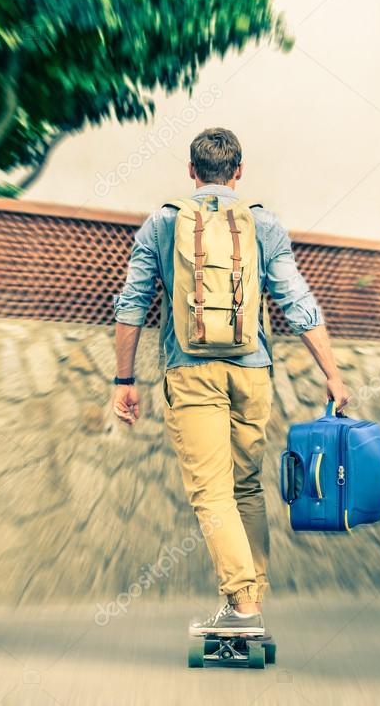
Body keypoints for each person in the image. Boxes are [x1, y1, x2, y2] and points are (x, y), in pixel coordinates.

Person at [111, 127, 350, 637]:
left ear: (191, 172)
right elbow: (296, 303)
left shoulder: (163, 222)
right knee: (245, 489)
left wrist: (123, 378)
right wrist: (332, 373)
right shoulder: (262, 222)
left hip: (190, 371)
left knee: (210, 492)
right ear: (239, 172)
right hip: (252, 372)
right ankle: (249, 601)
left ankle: (242, 608)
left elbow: (131, 304)